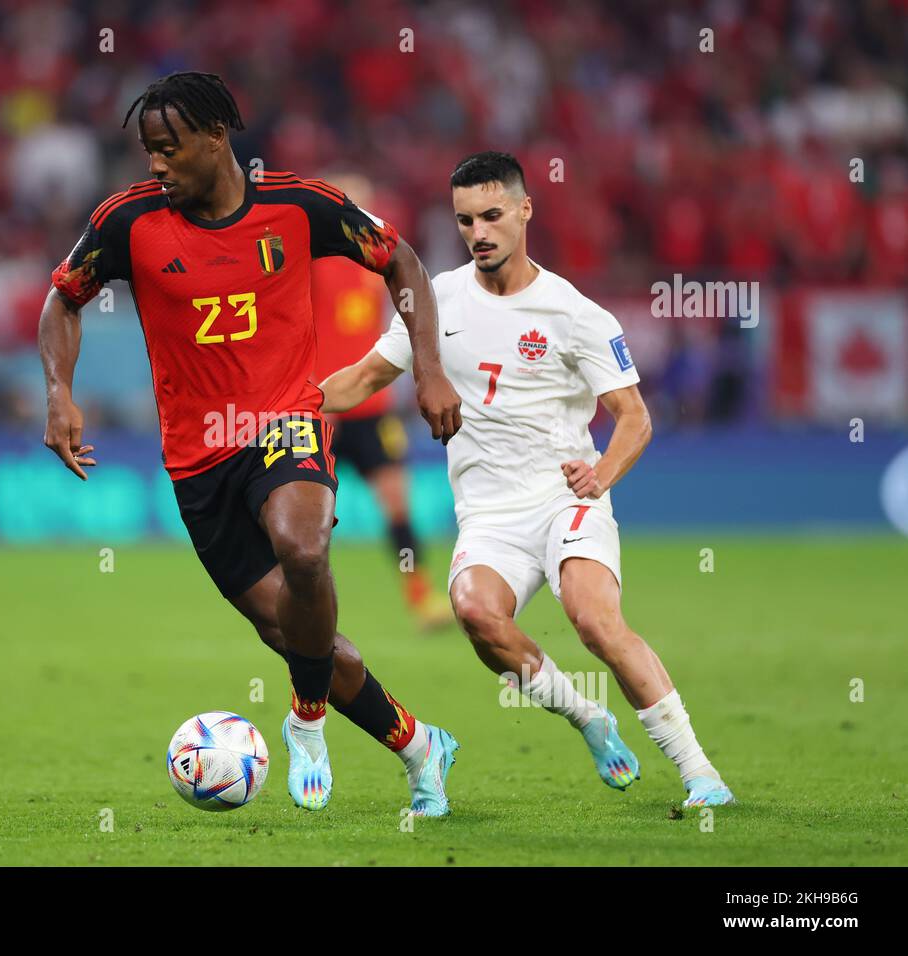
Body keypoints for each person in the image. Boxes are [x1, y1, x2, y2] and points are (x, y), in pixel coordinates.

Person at [39, 72, 464, 814]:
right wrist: (58, 392)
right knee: (300, 639)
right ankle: (421, 745)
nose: (156, 165)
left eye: (169, 149)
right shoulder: (126, 221)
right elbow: (62, 299)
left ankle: (305, 723)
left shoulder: (300, 205)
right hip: (196, 459)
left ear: (216, 138)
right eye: (148, 151)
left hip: (282, 419)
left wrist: (428, 370)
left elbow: (403, 262)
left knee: (304, 548)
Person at [318, 152, 734, 808]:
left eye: (491, 215)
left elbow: (635, 418)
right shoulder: (435, 299)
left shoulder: (574, 313)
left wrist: (601, 472)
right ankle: (588, 717)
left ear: (523, 210)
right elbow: (364, 378)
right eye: (464, 221)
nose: (479, 231)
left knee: (594, 619)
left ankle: (700, 772)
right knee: (476, 614)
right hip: (488, 515)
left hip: (564, 497)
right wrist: (281, 406)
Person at [310, 171, 451, 631]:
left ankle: (421, 596)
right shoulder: (308, 259)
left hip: (372, 407)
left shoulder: (377, 265)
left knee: (396, 504)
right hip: (321, 406)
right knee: (308, 516)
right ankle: (299, 609)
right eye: (347, 202)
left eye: (362, 202)